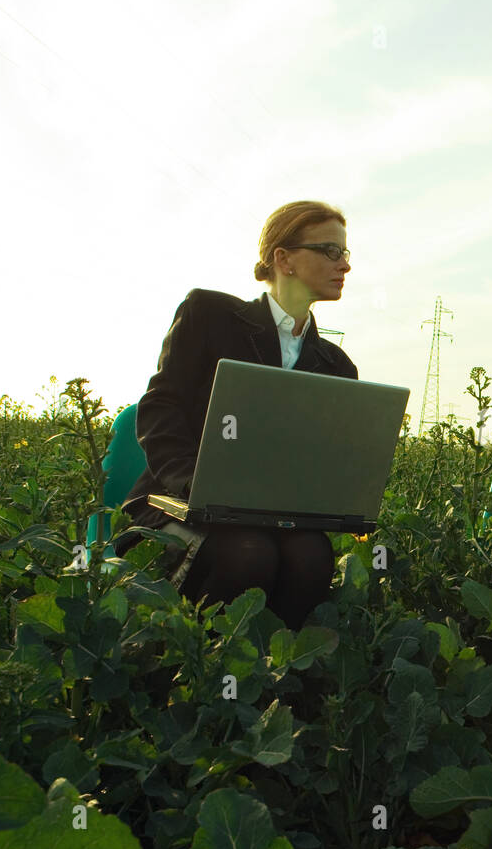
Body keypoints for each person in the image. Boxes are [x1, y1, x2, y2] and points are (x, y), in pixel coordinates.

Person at [115, 200, 357, 629]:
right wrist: (195, 484)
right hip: (179, 508)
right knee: (248, 553)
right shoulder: (210, 316)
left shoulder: (337, 365)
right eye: (330, 251)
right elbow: (160, 407)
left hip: (279, 518)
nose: (345, 265)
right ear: (284, 259)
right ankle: (186, 675)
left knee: (312, 556)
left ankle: (271, 685)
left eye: (346, 253)